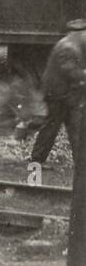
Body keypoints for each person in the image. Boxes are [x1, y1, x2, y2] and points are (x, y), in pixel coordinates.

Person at [31, 19, 86, 166]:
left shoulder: (72, 45)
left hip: (65, 95)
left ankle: (80, 163)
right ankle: (36, 159)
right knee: (53, 127)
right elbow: (70, 71)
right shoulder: (68, 47)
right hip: (57, 95)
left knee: (74, 127)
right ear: (78, 33)